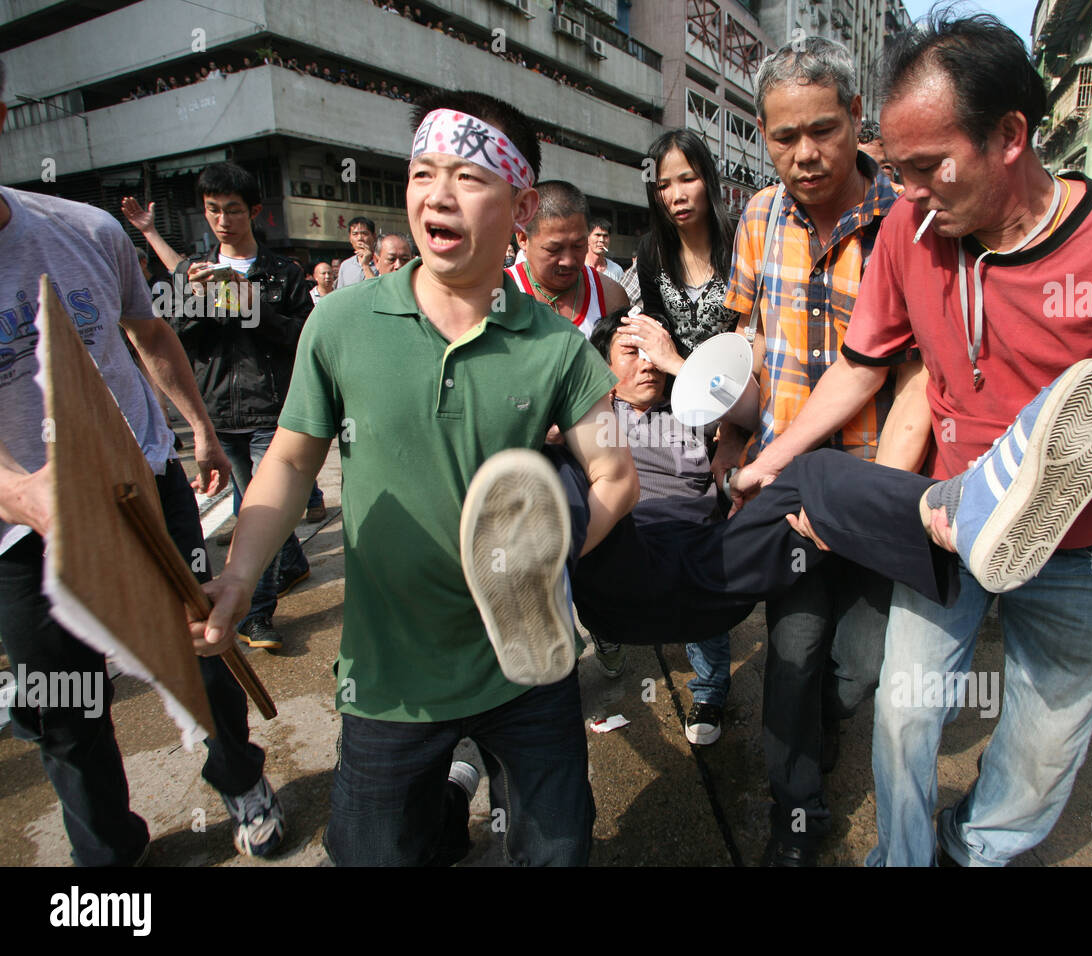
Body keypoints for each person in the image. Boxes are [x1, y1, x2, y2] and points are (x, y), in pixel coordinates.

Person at [732, 12, 1092, 866]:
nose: (907, 191)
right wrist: (770, 461)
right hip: (946, 525)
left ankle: (978, 847)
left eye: (926, 168)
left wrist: (1036, 490)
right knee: (905, 709)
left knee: (1040, 748)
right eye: (899, 168)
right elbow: (861, 368)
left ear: (1010, 136)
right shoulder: (909, 239)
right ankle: (904, 856)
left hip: (1085, 549)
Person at [191, 90, 641, 867]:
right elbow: (292, 460)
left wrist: (545, 563)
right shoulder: (341, 324)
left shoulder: (557, 347)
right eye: (422, 172)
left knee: (558, 851)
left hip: (526, 665)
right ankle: (450, 796)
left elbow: (615, 476)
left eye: (467, 177)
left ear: (521, 204)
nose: (437, 195)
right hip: (389, 674)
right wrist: (237, 573)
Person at [0, 61, 285, 862]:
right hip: (22, 534)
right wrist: (26, 496)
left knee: (204, 644)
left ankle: (241, 781)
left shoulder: (83, 231)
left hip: (145, 482)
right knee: (67, 707)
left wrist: (194, 425)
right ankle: (111, 863)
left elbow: (151, 334)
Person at [716, 36, 912, 866]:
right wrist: (731, 447)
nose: (805, 155)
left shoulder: (911, 221)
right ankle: (796, 818)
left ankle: (826, 731)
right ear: (761, 134)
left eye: (824, 130)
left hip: (877, 487)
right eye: (783, 137)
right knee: (790, 660)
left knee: (857, 670)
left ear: (858, 118)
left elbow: (921, 379)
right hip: (784, 485)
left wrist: (891, 497)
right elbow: (743, 342)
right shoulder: (759, 216)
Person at [613, 128, 740, 743]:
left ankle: (712, 686)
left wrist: (730, 426)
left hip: (738, 410)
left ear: (708, 178)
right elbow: (643, 334)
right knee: (683, 547)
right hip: (677, 418)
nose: (675, 194)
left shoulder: (742, 246)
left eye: (686, 178)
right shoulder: (649, 254)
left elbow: (753, 349)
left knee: (713, 556)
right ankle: (708, 683)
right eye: (663, 184)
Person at [169, 162, 314, 652]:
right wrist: (197, 298)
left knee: (260, 501)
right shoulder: (190, 272)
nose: (223, 221)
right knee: (250, 502)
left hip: (271, 409)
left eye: (233, 210)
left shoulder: (283, 273)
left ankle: (254, 612)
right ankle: (290, 560)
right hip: (213, 412)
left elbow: (301, 338)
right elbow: (172, 339)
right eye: (213, 211)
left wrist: (251, 303)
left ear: (254, 212)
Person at [507, 181, 629, 337]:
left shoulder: (610, 296)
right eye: (554, 249)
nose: (568, 261)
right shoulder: (499, 293)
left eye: (578, 246)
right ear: (523, 239)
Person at [335, 216, 378, 288]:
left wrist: (365, 265)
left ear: (374, 236)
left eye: (364, 234)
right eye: (355, 234)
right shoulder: (345, 265)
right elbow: (340, 295)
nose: (360, 238)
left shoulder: (382, 262)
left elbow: (378, 290)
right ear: (350, 238)